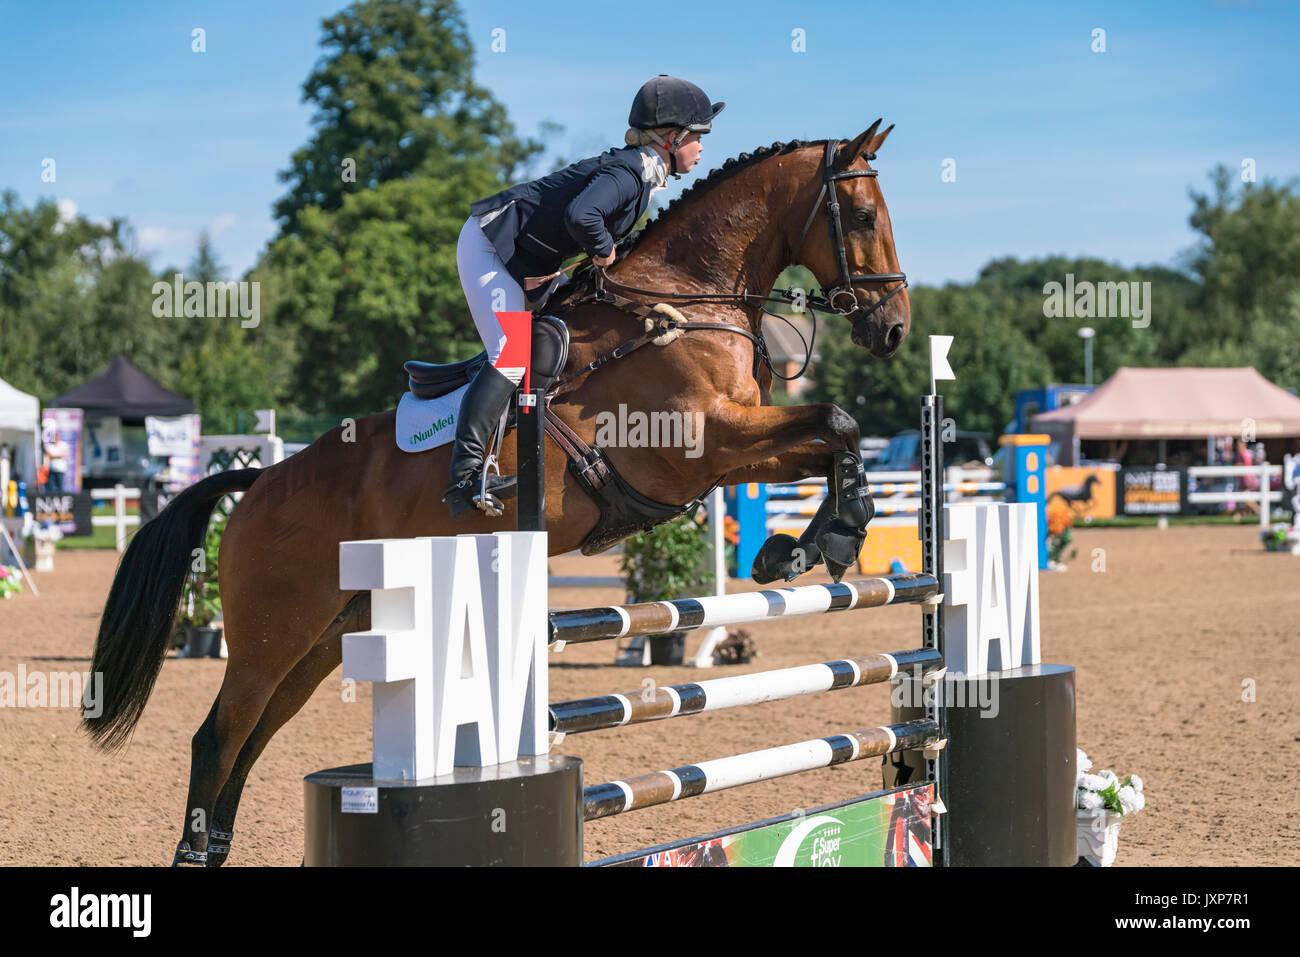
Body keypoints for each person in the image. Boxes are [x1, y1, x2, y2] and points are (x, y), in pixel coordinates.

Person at [444, 74, 724, 518]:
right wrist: (604, 250)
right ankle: (463, 476)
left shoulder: (640, 174)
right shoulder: (630, 172)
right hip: (489, 244)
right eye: (699, 137)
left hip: (519, 257)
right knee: (511, 356)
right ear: (672, 138)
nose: (703, 147)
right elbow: (582, 214)